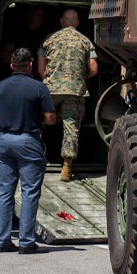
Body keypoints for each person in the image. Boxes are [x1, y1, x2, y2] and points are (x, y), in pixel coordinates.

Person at [0, 47, 56, 254]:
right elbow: (51, 118)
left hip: (5, 140)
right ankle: (26, 242)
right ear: (30, 65)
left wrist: (9, 120)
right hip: (28, 141)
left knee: (6, 192)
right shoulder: (38, 88)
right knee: (29, 193)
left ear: (11, 65)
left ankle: (2, 241)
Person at [39, 9, 97, 182]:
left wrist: (49, 81)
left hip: (51, 90)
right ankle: (67, 167)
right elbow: (93, 68)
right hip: (75, 90)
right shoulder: (85, 41)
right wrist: (82, 76)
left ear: (61, 21)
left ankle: (34, 158)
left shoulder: (49, 39)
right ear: (77, 23)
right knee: (71, 127)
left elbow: (41, 68)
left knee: (38, 121)